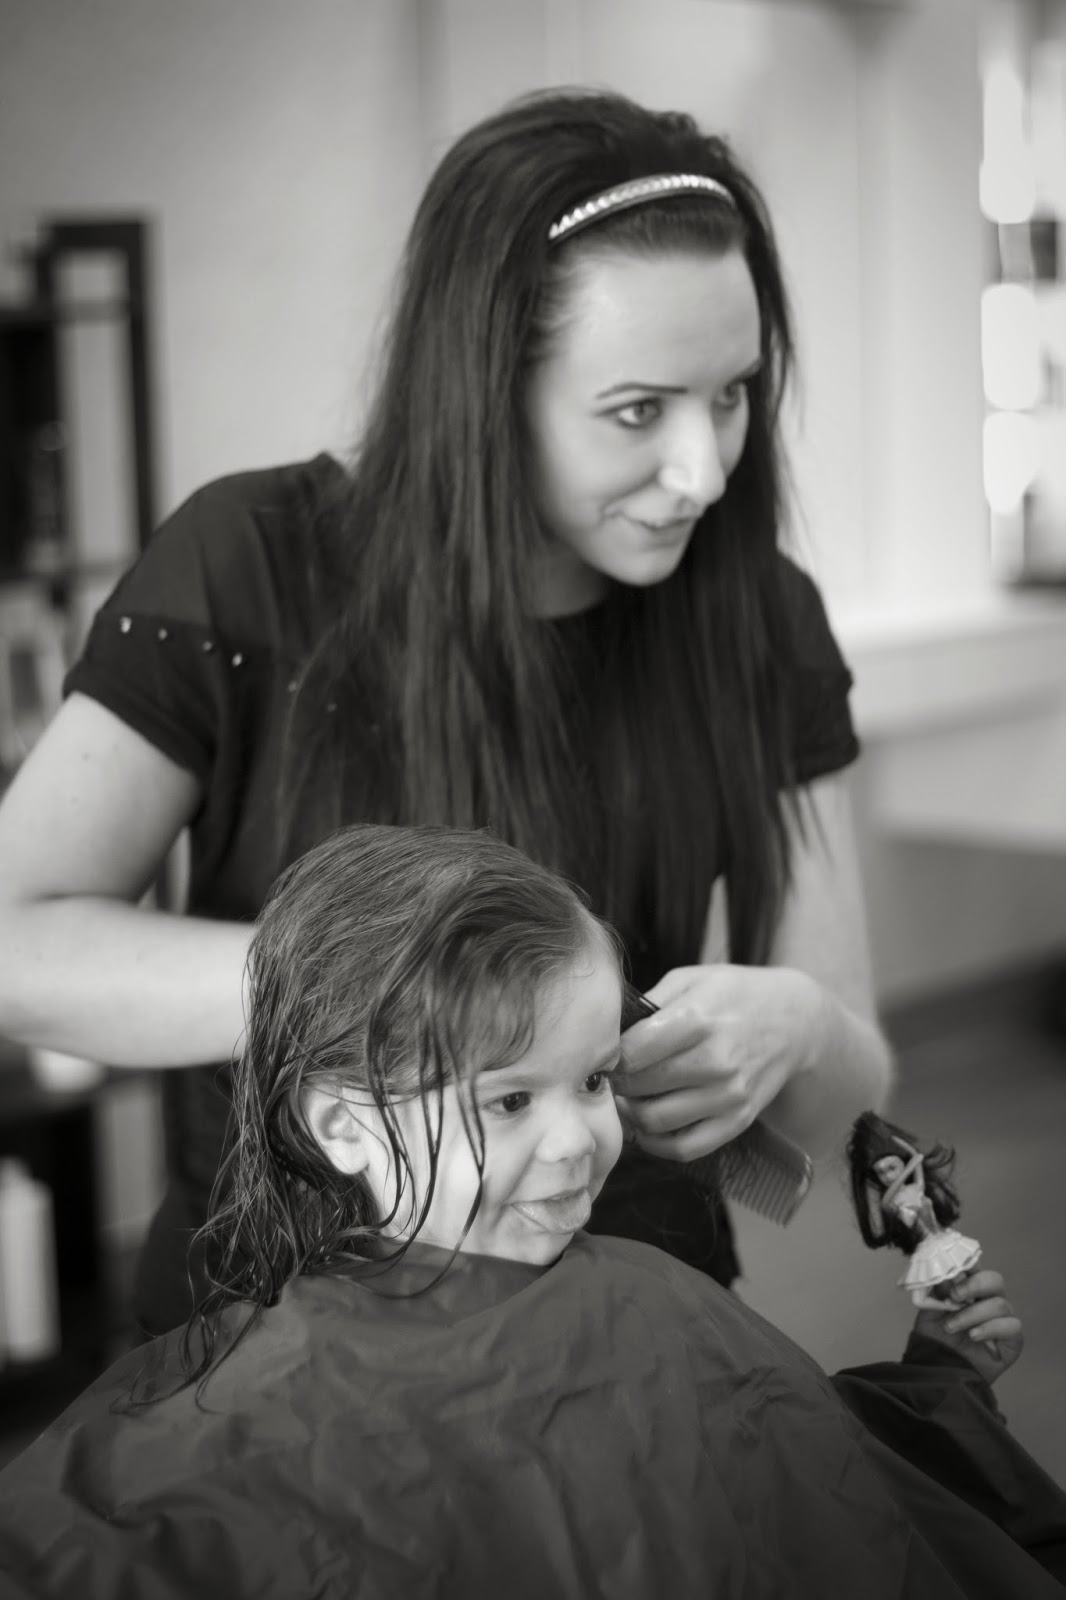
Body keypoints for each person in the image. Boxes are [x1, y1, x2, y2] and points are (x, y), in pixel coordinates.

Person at [0, 86, 893, 1337]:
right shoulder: (246, 566)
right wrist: (384, 982)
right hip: (276, 1352)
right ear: (483, 389)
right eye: (638, 410)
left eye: (733, 395)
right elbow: (18, 947)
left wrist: (797, 1030)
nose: (702, 470)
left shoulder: (762, 617)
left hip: (628, 1338)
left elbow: (846, 1106)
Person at [0, 823, 1062, 1600]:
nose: (576, 1141)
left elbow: (820, 1489)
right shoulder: (239, 1423)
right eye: (509, 1099)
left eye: (594, 1081)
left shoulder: (657, 1304)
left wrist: (939, 1383)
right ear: (341, 1125)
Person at [848, 1109, 985, 1310]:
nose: (886, 1176)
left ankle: (976, 1303)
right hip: (926, 1248)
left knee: (974, 1275)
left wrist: (904, 1149)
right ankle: (953, 1308)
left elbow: (916, 1159)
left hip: (943, 1238)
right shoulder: (891, 1203)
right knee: (919, 1299)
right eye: (880, 1172)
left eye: (891, 1168)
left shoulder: (916, 1188)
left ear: (902, 1164)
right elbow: (905, 1214)